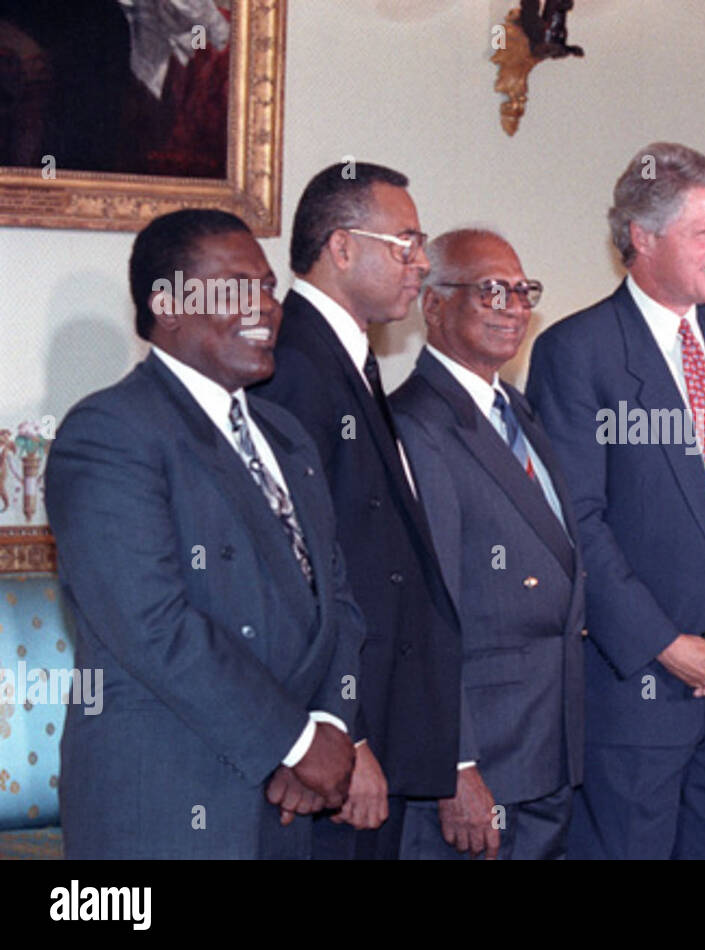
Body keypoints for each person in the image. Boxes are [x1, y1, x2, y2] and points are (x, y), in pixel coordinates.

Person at [45, 209, 366, 858]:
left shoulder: (286, 437)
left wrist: (329, 723)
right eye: (236, 288)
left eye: (269, 287)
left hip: (284, 810)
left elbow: (338, 602)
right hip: (166, 805)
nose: (266, 308)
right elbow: (153, 624)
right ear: (167, 306)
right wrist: (297, 743)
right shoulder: (109, 432)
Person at [526, 142, 705, 859]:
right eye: (704, 232)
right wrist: (666, 646)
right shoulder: (577, 351)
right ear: (643, 239)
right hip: (634, 701)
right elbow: (576, 524)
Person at [253, 162, 462, 859]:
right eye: (404, 242)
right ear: (342, 248)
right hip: (337, 748)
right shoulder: (295, 368)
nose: (422, 262)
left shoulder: (350, 359)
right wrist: (347, 731)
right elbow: (297, 574)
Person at [389, 229, 584, 860]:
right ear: (434, 304)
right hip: (478, 767)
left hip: (546, 750)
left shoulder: (517, 411)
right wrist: (455, 763)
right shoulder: (416, 424)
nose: (515, 307)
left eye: (523, 292)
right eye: (491, 291)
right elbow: (427, 613)